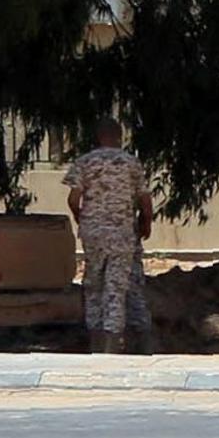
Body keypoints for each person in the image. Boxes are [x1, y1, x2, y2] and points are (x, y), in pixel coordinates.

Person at [64, 119, 155, 352]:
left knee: (94, 283)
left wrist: (81, 218)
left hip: (92, 233)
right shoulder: (131, 163)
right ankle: (112, 343)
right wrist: (146, 223)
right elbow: (145, 200)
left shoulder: (85, 162)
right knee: (116, 285)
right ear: (119, 136)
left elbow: (73, 199)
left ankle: (94, 340)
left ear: (98, 136)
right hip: (122, 233)